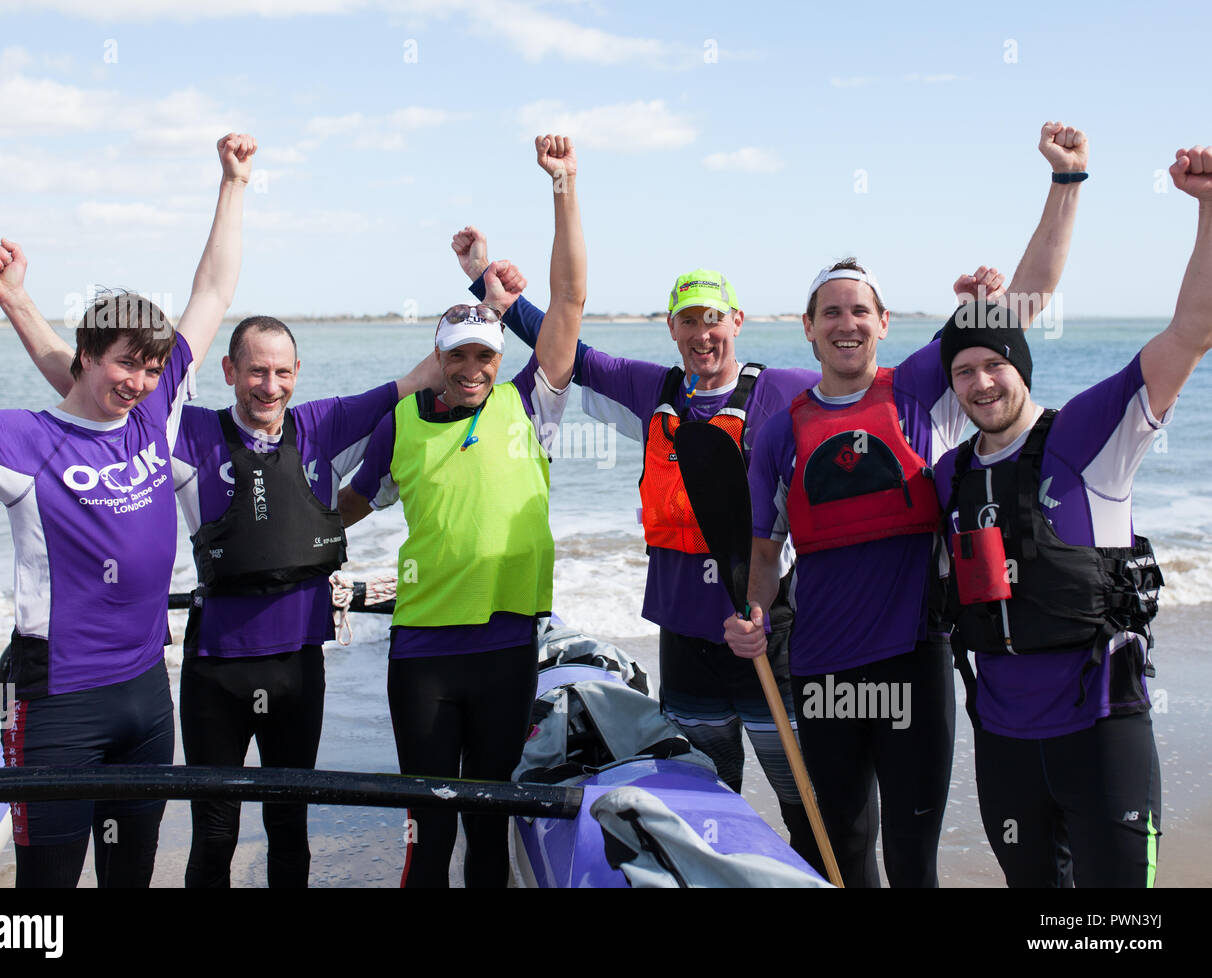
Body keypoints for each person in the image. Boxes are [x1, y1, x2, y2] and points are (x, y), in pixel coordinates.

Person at [725, 121, 1089, 887]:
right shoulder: (777, 432)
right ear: (809, 330)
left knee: (912, 860)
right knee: (845, 850)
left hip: (915, 662)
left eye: (861, 310)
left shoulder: (922, 387)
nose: (847, 323)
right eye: (831, 311)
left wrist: (1064, 185)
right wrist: (753, 618)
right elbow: (764, 552)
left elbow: (1025, 300)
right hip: (821, 668)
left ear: (885, 324)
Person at [0, 297, 444, 886]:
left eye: (282, 372)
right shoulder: (191, 433)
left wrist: (488, 297)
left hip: (298, 670)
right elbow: (94, 389)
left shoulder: (323, 425)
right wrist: (17, 302)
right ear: (230, 372)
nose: (270, 385)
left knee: (290, 826)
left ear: (297, 373)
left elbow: (422, 379)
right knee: (213, 834)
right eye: (256, 371)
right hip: (215, 675)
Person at [0, 133, 257, 887]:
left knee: (131, 876)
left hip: (145, 696)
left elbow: (213, 291)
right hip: (56, 706)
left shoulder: (153, 411)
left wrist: (232, 183)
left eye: (152, 366)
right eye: (126, 362)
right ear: (87, 356)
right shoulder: (23, 442)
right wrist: (12, 302)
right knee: (48, 890)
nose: (140, 380)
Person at [452, 231, 827, 869]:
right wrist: (491, 284)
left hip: (768, 637)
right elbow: (574, 355)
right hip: (685, 637)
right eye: (688, 322)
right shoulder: (658, 393)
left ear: (737, 321)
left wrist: (979, 318)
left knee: (809, 810)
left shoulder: (784, 391)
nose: (703, 335)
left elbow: (869, 388)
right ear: (673, 333)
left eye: (714, 319)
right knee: (705, 804)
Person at [934, 143, 1212, 887]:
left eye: (995, 363)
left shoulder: (1090, 437)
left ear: (1021, 366)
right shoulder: (948, 474)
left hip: (1102, 727)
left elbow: (1192, 331)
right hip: (1001, 736)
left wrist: (1210, 209)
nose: (982, 382)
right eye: (964, 371)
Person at [336, 134, 585, 887]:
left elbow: (569, 302)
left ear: (499, 357)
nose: (473, 368)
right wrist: (284, 541)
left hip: (507, 648)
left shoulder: (529, 406)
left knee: (488, 827)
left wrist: (563, 186)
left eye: (485, 355)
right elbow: (344, 506)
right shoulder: (401, 424)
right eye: (459, 357)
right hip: (421, 657)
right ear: (438, 361)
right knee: (429, 830)